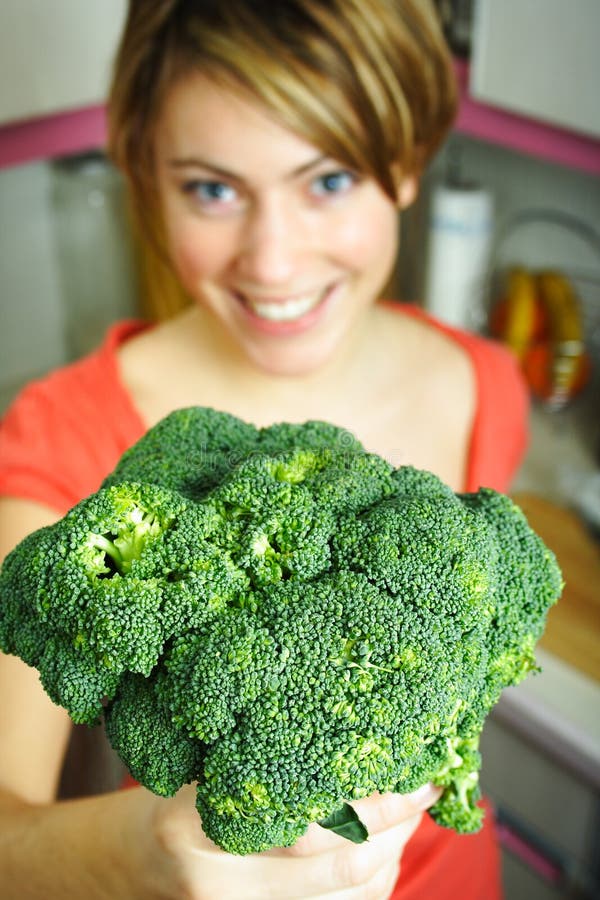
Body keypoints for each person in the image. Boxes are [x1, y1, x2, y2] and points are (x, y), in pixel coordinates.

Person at [0, 1, 528, 897]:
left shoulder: (484, 382)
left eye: (327, 181)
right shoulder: (64, 438)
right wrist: (133, 858)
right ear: (144, 174)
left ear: (404, 163)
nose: (274, 262)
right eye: (213, 188)